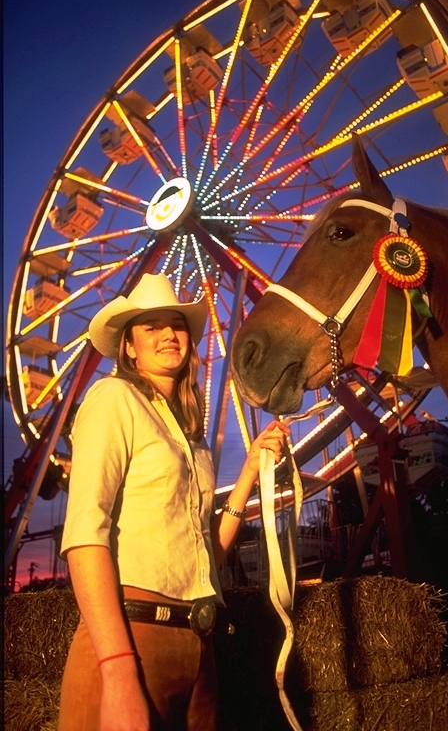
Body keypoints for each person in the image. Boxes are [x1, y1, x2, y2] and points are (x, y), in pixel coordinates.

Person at [57, 272, 289, 731]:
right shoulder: (112, 398)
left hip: (199, 648)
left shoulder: (193, 442)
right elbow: (84, 534)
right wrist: (120, 669)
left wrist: (246, 474)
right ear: (128, 346)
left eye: (177, 324)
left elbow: (208, 558)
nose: (168, 334)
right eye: (151, 326)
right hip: (134, 640)